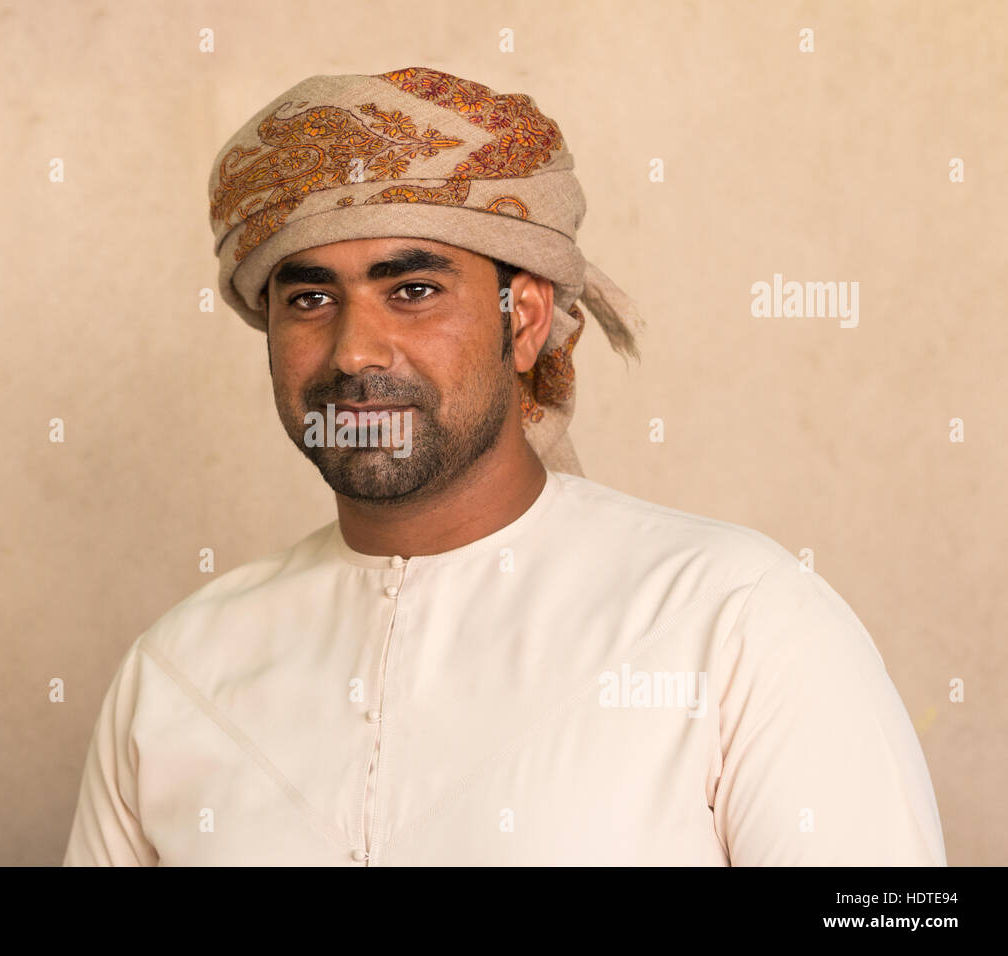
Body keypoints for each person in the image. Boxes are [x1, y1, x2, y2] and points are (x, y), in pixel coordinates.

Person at [62, 66, 945, 866]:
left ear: (522, 321)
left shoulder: (735, 620)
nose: (355, 351)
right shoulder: (178, 671)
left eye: (412, 290)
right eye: (310, 298)